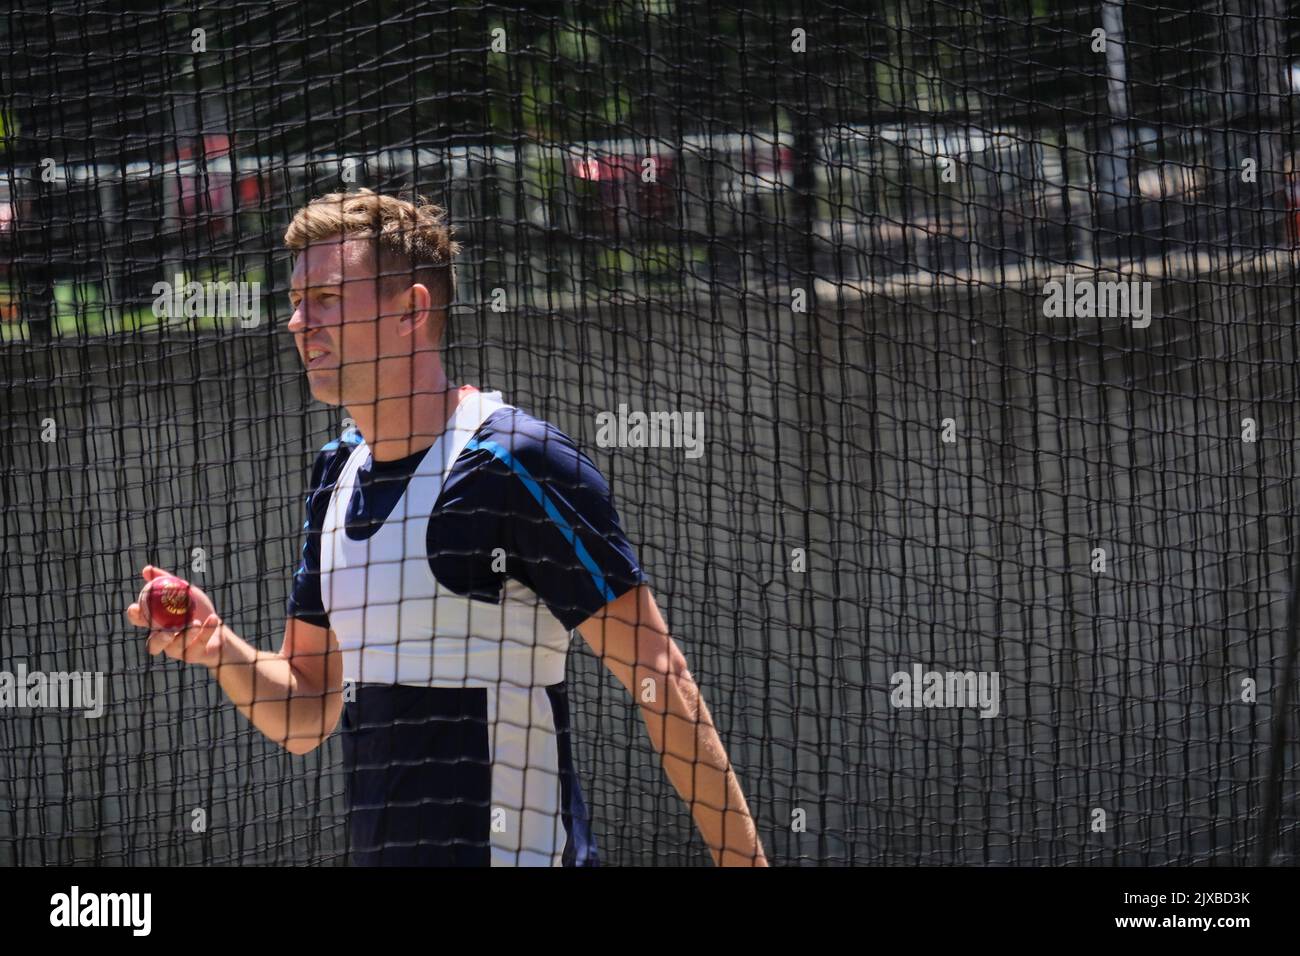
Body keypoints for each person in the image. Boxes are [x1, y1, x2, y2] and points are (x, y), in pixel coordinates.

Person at [127, 188, 767, 867]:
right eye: (295, 300)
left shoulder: (514, 462)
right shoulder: (335, 475)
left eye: (326, 300)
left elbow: (658, 674)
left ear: (411, 310)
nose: (297, 322)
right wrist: (217, 645)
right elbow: (308, 708)